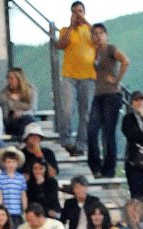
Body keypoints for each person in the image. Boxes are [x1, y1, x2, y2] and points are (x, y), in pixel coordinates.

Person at [87, 23, 129, 180]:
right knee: (92, 130)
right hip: (98, 95)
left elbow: (125, 61)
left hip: (111, 95)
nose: (98, 36)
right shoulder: (94, 52)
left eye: (100, 33)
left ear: (106, 34)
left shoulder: (110, 49)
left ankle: (108, 169)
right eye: (95, 33)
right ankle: (95, 166)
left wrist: (117, 80)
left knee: (108, 133)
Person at [56, 2, 95, 157]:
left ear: (85, 12)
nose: (77, 14)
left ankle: (81, 144)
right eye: (74, 12)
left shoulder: (90, 30)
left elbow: (99, 40)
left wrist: (84, 21)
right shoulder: (66, 30)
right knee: (67, 109)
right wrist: (72, 25)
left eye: (80, 11)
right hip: (69, 77)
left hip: (88, 76)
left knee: (85, 113)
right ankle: (65, 140)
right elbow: (60, 44)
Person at [0, 67, 36, 140]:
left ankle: (24, 143)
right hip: (12, 123)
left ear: (19, 79)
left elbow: (33, 110)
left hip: (28, 121)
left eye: (11, 78)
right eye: (8, 78)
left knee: (27, 119)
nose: (9, 81)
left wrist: (21, 113)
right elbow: (5, 116)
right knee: (27, 125)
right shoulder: (4, 94)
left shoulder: (31, 90)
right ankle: (25, 144)